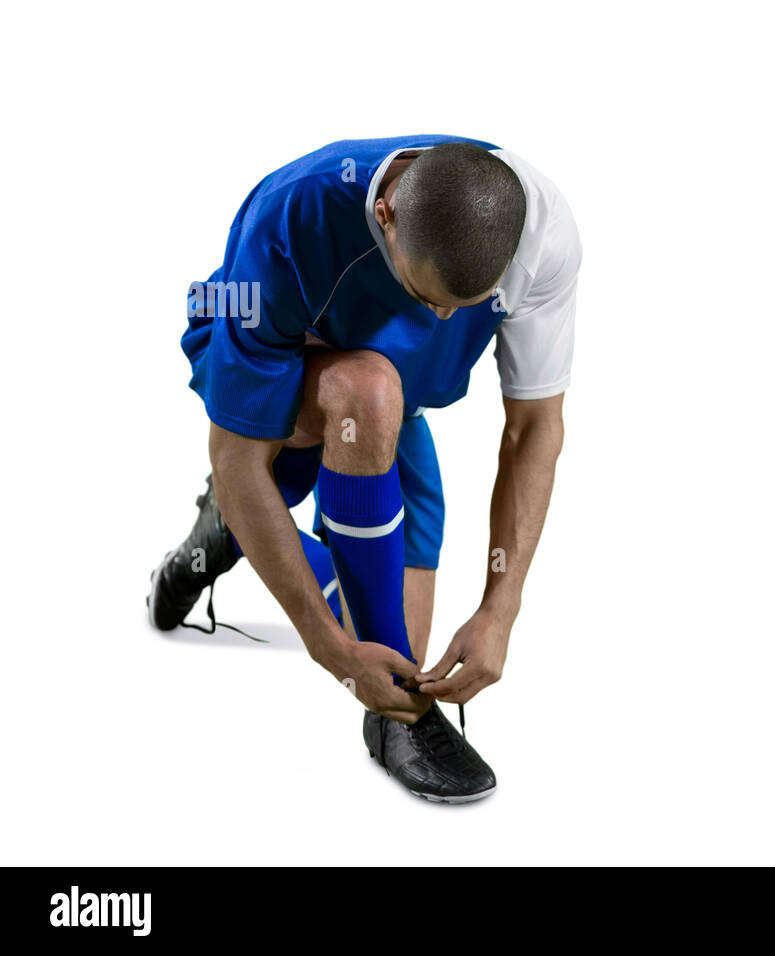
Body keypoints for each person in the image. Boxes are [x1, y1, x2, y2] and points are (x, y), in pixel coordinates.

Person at [147, 135, 580, 803]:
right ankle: (386, 714)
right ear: (385, 215)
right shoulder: (289, 221)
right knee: (363, 393)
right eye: (426, 295)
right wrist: (332, 654)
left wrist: (501, 608)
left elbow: (534, 430)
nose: (441, 318)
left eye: (463, 306)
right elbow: (235, 457)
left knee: (400, 649)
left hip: (392, 402)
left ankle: (230, 530)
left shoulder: (543, 237)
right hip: (285, 366)